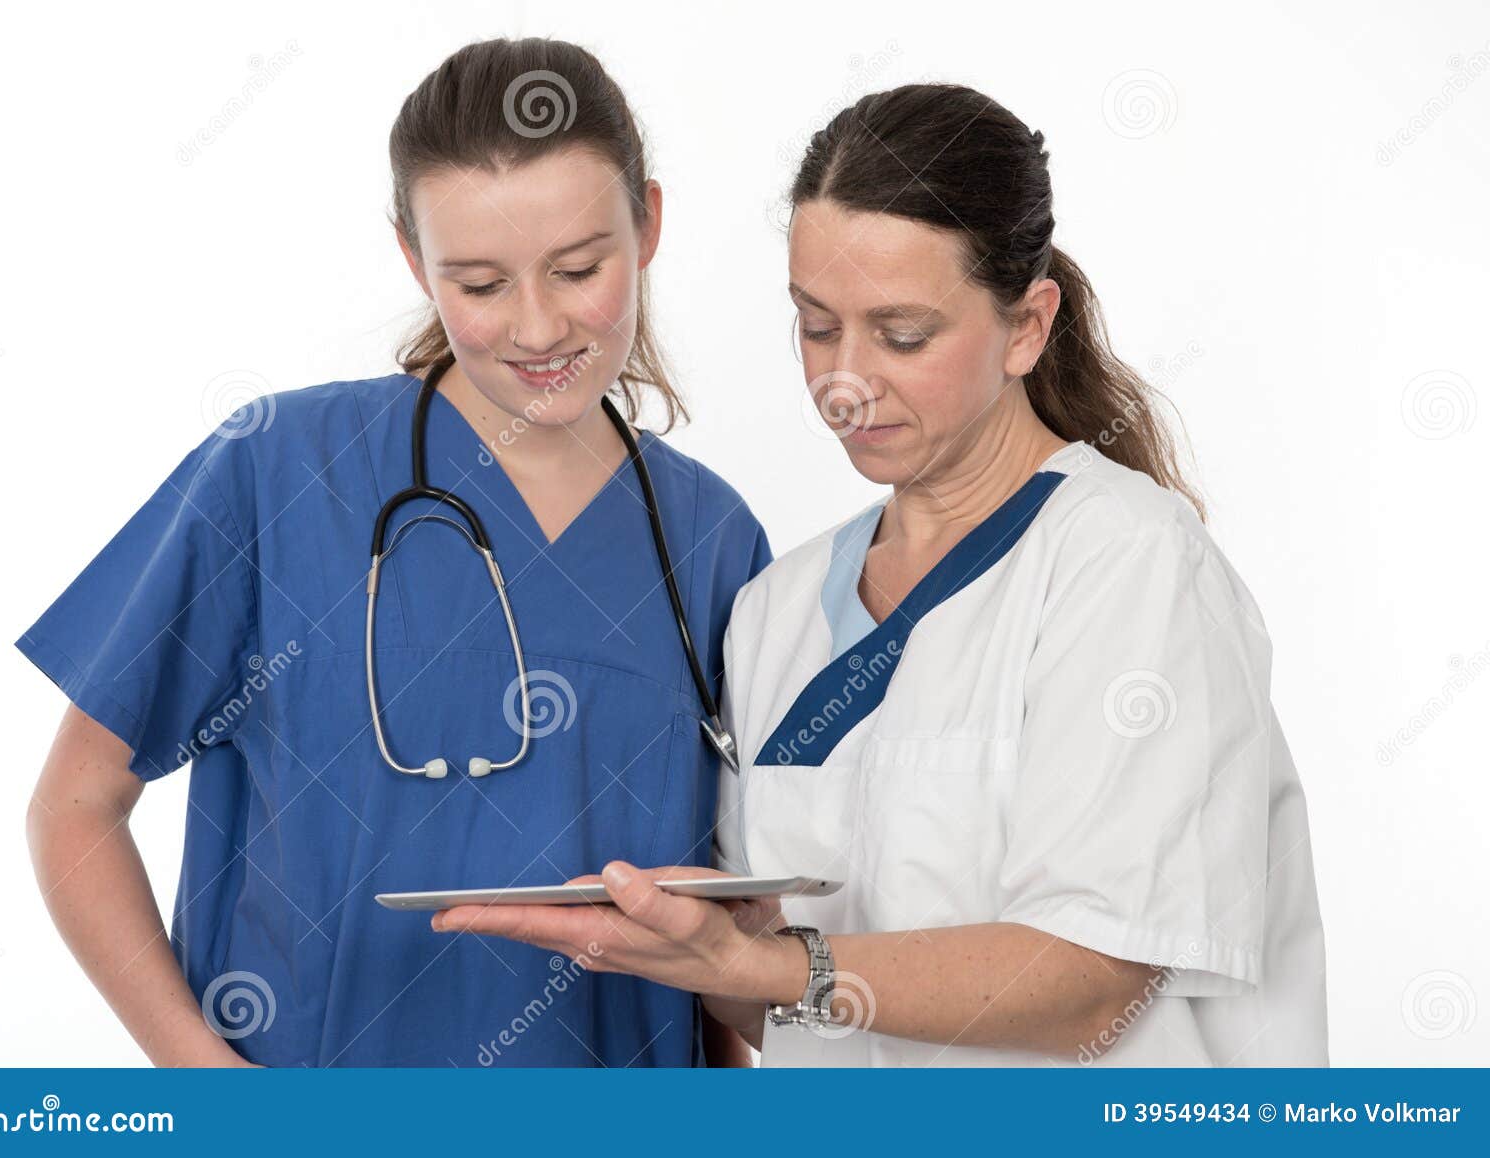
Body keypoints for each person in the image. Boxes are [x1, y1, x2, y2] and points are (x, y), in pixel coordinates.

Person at [435, 82, 1329, 1067]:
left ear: (1027, 325)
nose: (845, 381)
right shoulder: (779, 608)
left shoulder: (1127, 563)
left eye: (903, 335)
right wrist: (684, 945)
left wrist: (773, 972)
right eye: (817, 325)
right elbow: (765, 1001)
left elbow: (1092, 981)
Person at [17, 37, 769, 1068]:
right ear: (415, 262)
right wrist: (203, 1082)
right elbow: (75, 803)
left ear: (649, 224)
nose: (538, 325)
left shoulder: (713, 537)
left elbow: (718, 938)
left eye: (578, 268)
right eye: (479, 282)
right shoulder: (276, 470)